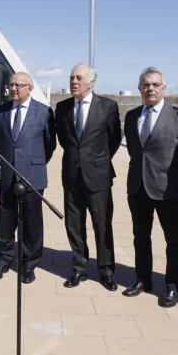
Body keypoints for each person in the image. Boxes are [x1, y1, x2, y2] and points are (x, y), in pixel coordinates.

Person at [122, 67, 178, 306]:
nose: (150, 88)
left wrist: (175, 179)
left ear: (164, 88)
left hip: (168, 189)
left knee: (173, 240)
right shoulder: (131, 116)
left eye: (155, 84)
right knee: (140, 236)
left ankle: (173, 287)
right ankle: (143, 279)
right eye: (145, 84)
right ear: (140, 88)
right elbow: (135, 151)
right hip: (137, 188)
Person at [55, 63, 122, 290]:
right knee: (74, 225)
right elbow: (65, 140)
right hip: (72, 175)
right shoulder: (62, 107)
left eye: (79, 78)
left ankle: (106, 271)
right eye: (72, 77)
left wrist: (97, 160)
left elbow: (113, 140)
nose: (74, 81)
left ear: (91, 82)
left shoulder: (108, 106)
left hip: (98, 176)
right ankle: (79, 269)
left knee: (102, 225)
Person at [0, 72, 57, 283]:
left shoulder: (44, 112)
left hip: (32, 174)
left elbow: (49, 144)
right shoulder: (0, 111)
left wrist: (33, 162)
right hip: (6, 174)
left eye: (19, 85)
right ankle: (4, 260)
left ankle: (28, 264)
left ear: (30, 88)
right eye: (11, 84)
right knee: (5, 221)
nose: (14, 88)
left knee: (31, 222)